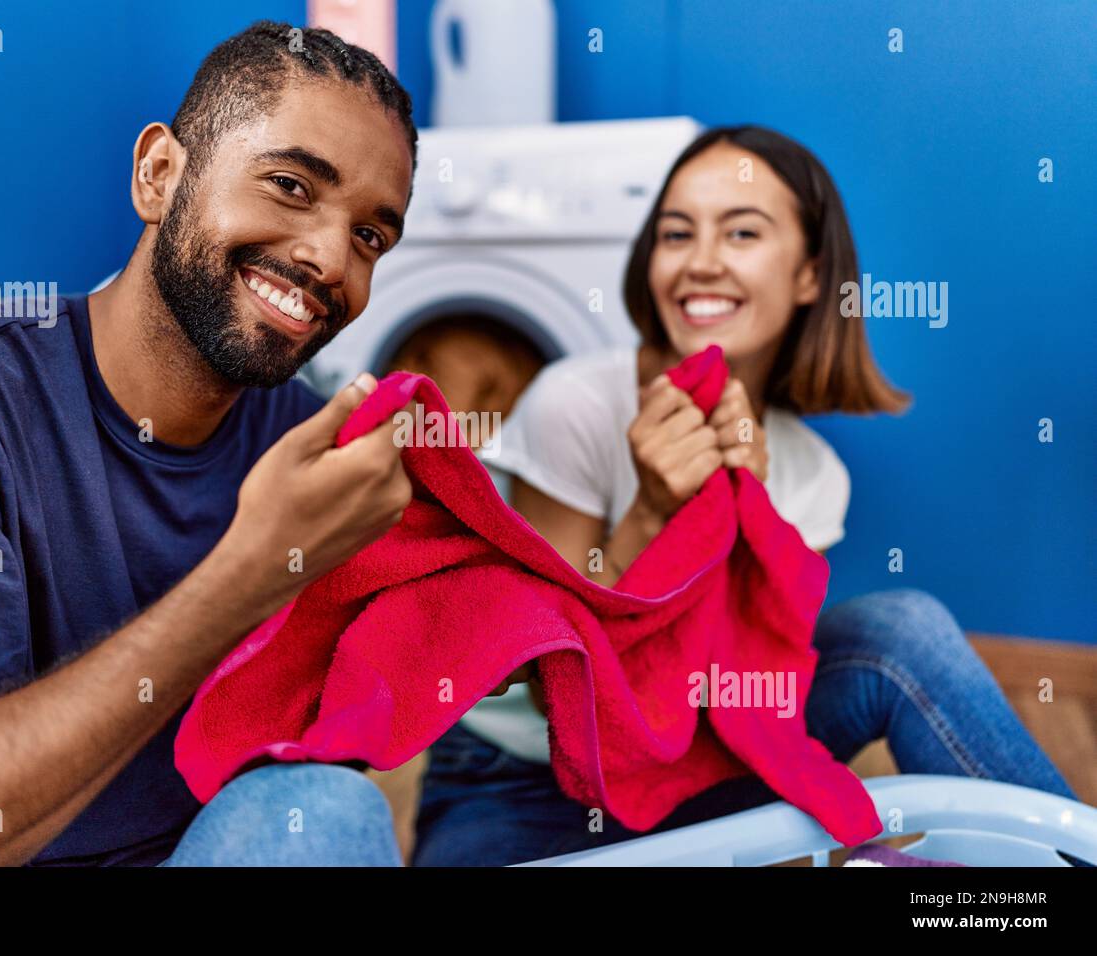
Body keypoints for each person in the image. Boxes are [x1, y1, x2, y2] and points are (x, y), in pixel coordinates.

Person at [0, 21, 420, 867]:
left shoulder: (315, 452)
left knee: (324, 811)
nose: (329, 260)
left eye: (370, 236)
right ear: (159, 173)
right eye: (289, 185)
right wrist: (249, 574)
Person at [412, 126, 1080, 867]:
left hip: (698, 770)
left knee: (903, 629)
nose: (701, 263)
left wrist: (742, 529)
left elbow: (756, 699)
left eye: (742, 231)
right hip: (524, 786)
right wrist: (653, 516)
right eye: (676, 234)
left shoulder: (812, 475)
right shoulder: (574, 403)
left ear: (808, 276)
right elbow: (554, 693)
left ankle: (1069, 861)